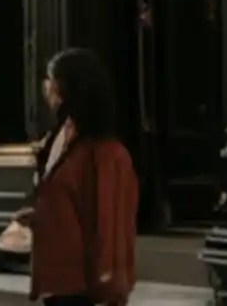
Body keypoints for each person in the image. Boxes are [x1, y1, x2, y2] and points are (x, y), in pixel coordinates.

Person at [28, 48, 138, 306]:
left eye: (52, 79)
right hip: (57, 279)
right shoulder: (60, 135)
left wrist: (109, 283)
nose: (47, 86)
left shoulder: (106, 155)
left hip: (83, 285)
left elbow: (109, 222)